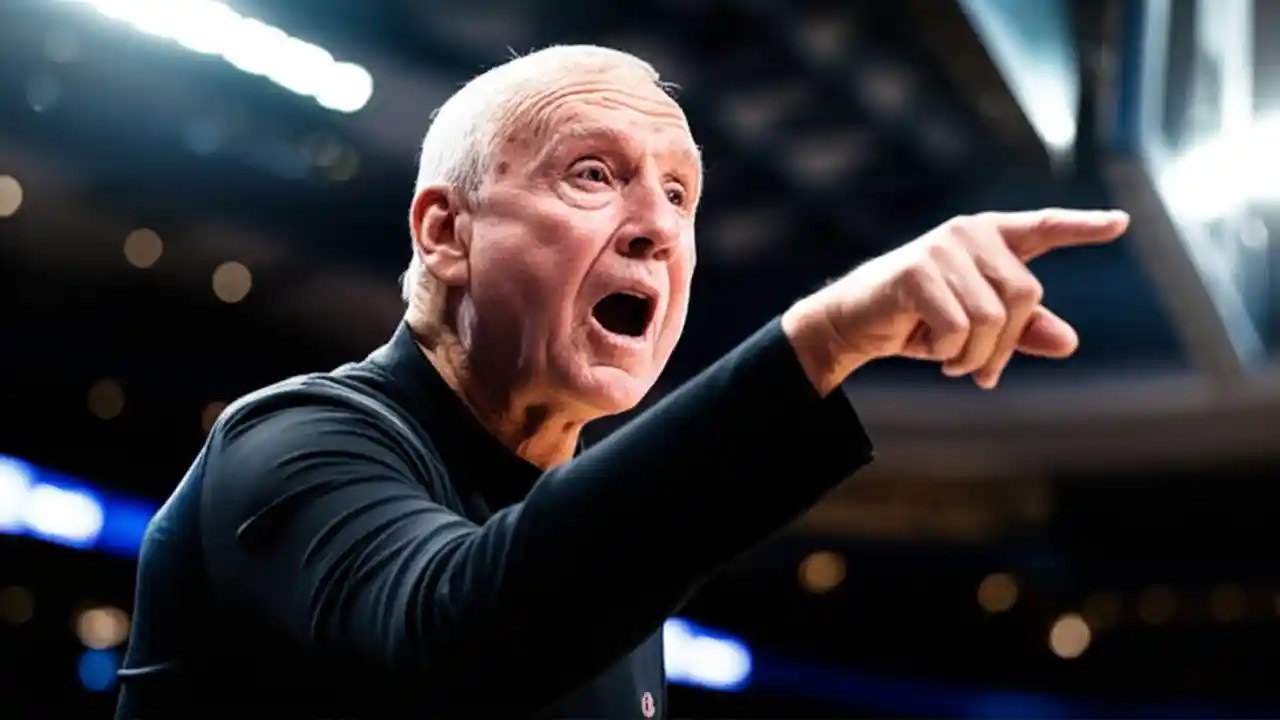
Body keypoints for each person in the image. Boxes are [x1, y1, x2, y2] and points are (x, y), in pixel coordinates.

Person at [114, 45, 1129, 719]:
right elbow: (452, 644)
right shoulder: (291, 442)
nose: (656, 224)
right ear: (445, 231)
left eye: (679, 192)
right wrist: (815, 342)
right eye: (592, 174)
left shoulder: (601, 563)